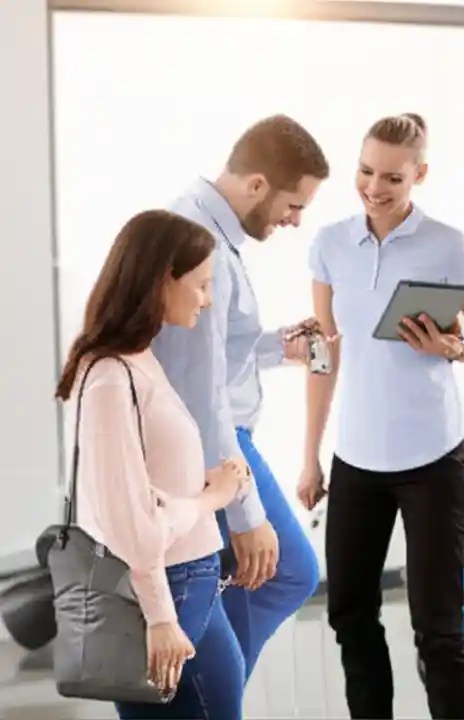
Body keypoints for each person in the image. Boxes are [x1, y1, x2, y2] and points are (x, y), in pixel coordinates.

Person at [298, 112, 464, 719]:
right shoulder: (330, 244)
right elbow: (323, 354)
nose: (374, 187)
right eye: (365, 171)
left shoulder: (450, 246)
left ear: (420, 174)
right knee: (350, 616)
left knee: (438, 633)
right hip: (357, 458)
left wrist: (454, 347)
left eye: (392, 176)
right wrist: (309, 455)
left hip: (433, 462)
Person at [151, 114, 330, 679]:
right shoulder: (197, 241)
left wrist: (283, 346)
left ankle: (205, 689)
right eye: (293, 204)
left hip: (221, 435)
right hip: (218, 442)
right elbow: (198, 395)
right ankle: (208, 692)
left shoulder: (211, 232)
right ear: (257, 185)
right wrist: (245, 512)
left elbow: (219, 352)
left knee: (253, 577)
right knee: (288, 571)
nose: (296, 221)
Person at [54, 209, 253, 719]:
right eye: (201, 285)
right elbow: (134, 529)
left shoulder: (139, 359)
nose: (207, 301)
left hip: (194, 580)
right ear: (165, 277)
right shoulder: (108, 379)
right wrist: (213, 496)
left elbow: (151, 496)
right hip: (170, 590)